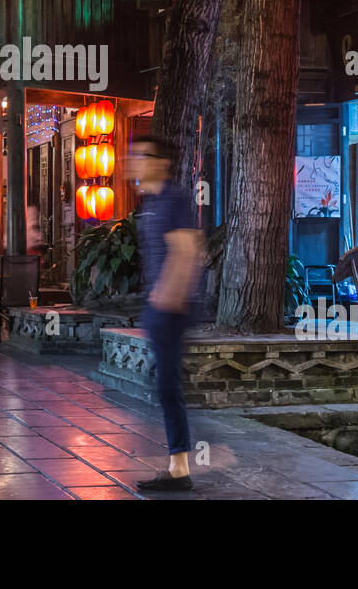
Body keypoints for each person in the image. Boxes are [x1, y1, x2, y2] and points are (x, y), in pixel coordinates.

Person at [126, 135, 203, 493]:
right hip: (160, 306)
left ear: (161, 161)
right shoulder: (153, 201)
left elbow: (187, 250)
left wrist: (166, 296)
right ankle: (178, 465)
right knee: (166, 385)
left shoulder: (174, 199)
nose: (135, 161)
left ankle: (179, 468)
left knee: (168, 385)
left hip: (170, 308)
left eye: (141, 156)